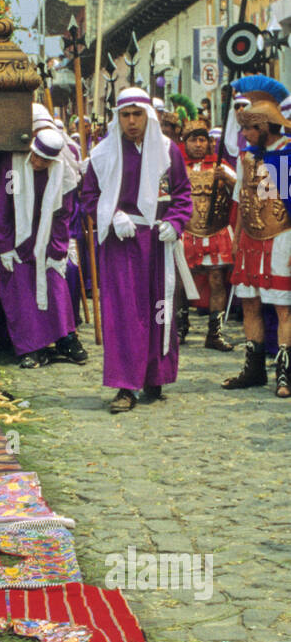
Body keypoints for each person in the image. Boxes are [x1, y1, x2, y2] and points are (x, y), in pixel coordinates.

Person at [81, 87, 194, 412]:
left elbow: (182, 193)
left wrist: (175, 221)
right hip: (122, 246)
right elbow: (89, 195)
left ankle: (154, 374)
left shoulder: (168, 151)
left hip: (158, 243)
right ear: (118, 117)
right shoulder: (103, 155)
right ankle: (124, 385)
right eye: (125, 115)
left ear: (148, 116)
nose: (131, 121)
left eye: (137, 114)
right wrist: (112, 216)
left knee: (159, 309)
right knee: (124, 314)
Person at [0, 118, 86, 368]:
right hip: (18, 239)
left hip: (47, 238)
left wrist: (57, 250)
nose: (37, 163)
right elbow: (4, 206)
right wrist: (4, 245)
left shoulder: (62, 174)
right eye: (35, 156)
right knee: (22, 293)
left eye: (44, 160)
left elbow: (63, 214)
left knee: (56, 288)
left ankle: (65, 339)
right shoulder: (13, 166)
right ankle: (31, 348)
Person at [222, 80, 291, 398]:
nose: (245, 135)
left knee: (283, 307)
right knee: (250, 303)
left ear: (266, 125)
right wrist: (235, 237)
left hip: (281, 239)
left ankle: (285, 373)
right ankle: (254, 369)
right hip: (250, 239)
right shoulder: (247, 158)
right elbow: (240, 198)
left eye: (250, 129)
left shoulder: (286, 156)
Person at [179, 121, 236, 351]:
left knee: (216, 281)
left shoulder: (222, 167)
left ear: (210, 143)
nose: (199, 144)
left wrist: (230, 179)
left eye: (203, 139)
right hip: (187, 233)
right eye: (194, 139)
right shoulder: (178, 168)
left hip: (216, 231)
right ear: (186, 143)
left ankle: (215, 332)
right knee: (182, 282)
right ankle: (180, 326)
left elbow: (242, 194)